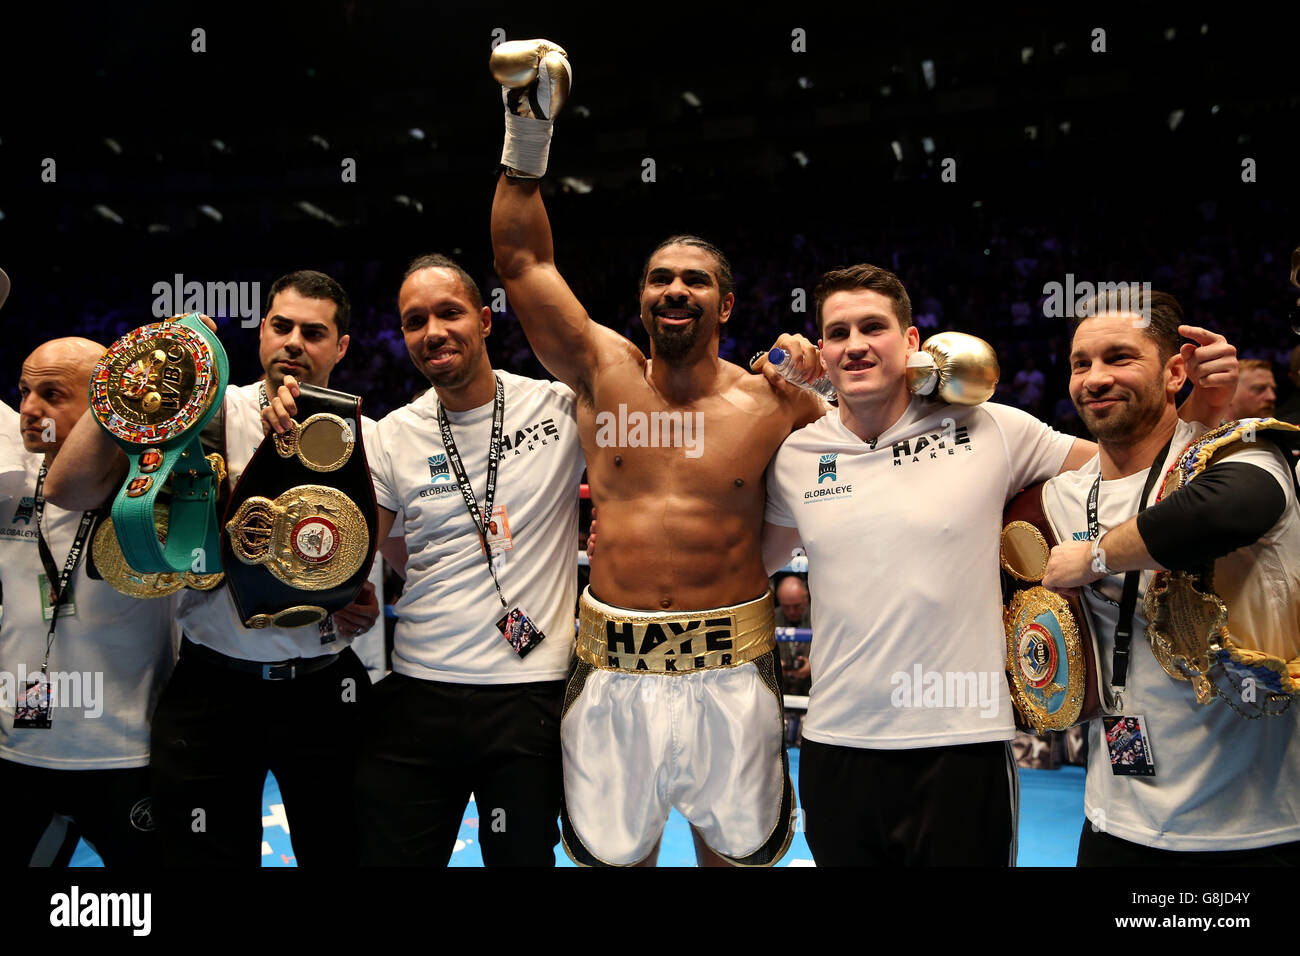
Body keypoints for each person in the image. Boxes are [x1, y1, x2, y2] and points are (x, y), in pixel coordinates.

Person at [761, 265, 1236, 866]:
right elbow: (748, 565)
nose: (855, 344)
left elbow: (1144, 472)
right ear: (821, 351)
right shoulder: (797, 455)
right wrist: (764, 397)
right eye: (837, 332)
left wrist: (1208, 412)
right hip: (834, 743)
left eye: (873, 327)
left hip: (963, 745)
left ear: (910, 343)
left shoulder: (992, 428)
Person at [489, 39, 827, 867]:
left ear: (727, 302)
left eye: (695, 279)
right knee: (616, 860)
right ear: (640, 297)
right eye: (659, 278)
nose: (675, 288)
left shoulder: (773, 403)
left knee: (733, 858)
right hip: (612, 662)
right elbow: (523, 260)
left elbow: (873, 446)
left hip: (734, 659)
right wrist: (525, 131)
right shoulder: (601, 372)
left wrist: (822, 384)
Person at [44, 271, 380, 865]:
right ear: (260, 332)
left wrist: (354, 591)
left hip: (326, 689)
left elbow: (382, 559)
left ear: (342, 347)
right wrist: (136, 374)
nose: (294, 343)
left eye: (314, 331)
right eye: (281, 326)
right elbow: (68, 489)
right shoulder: (204, 409)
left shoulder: (369, 437)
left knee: (342, 853)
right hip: (211, 688)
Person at [265, 254, 584, 866]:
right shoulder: (391, 434)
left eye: (449, 312)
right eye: (415, 321)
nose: (432, 331)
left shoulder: (559, 408)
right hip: (417, 693)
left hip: (529, 697)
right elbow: (354, 555)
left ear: (486, 320)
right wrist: (287, 441)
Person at [1040, 289, 1300, 865]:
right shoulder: (1061, 497)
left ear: (1176, 370)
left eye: (1120, 358)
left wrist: (1097, 556)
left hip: (1254, 828)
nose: (1095, 378)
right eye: (1081, 364)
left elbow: (1223, 512)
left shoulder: (1239, 451)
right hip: (1113, 819)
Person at [1, 337, 177, 866]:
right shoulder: (12, 464)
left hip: (126, 754)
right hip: (18, 751)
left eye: (52, 395)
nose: (30, 409)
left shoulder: (153, 487)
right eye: (25, 391)